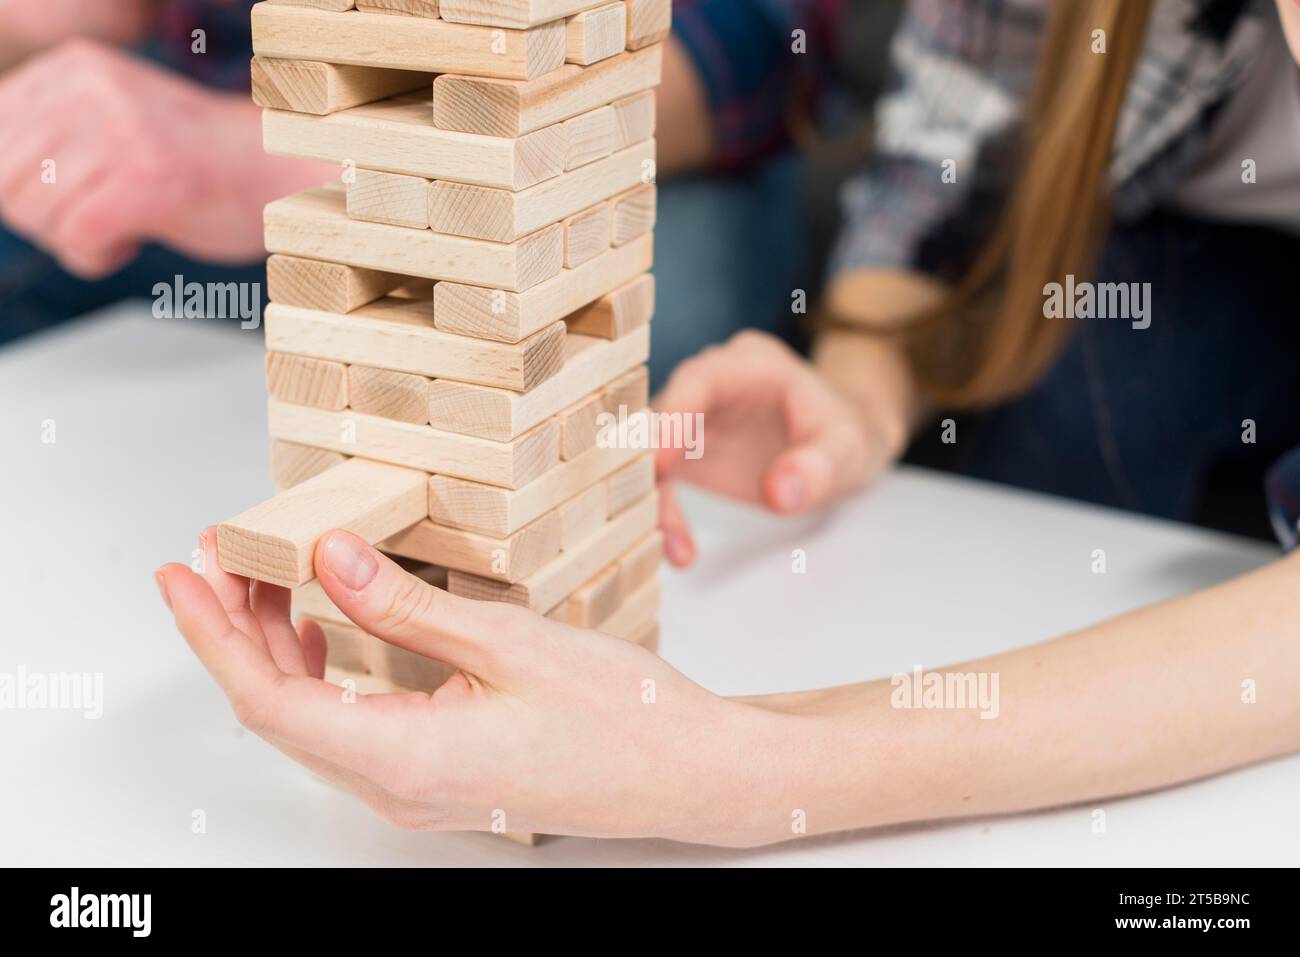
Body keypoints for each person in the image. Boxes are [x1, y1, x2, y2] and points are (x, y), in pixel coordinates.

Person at [155, 0, 1300, 846]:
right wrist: (861, 390)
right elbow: (938, 173)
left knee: (1103, 403)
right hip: (1174, 214)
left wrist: (754, 769)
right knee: (1073, 388)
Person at [0, 0, 843, 385]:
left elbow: (748, 53)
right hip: (225, 103)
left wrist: (285, 159)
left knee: (653, 298)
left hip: (589, 137)